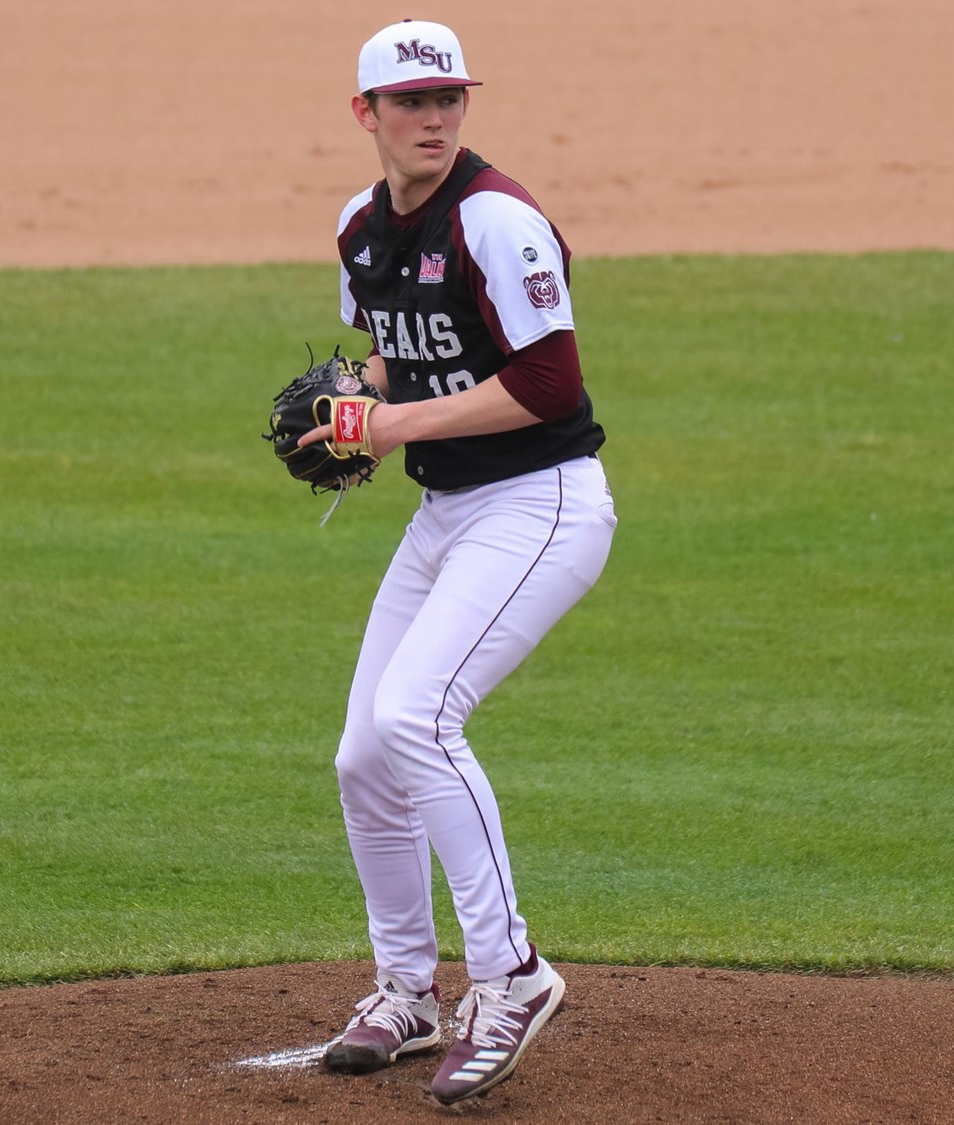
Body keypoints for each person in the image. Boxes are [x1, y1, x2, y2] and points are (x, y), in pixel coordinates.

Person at [296, 18, 617, 1106]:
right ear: (366, 115)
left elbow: (550, 386)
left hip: (541, 504)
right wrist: (355, 422)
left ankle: (511, 975)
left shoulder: (496, 218)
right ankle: (405, 990)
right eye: (410, 103)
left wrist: (393, 429)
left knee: (416, 717)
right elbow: (392, 357)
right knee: (360, 756)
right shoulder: (358, 227)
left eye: (448, 100)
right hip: (446, 516)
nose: (433, 118)